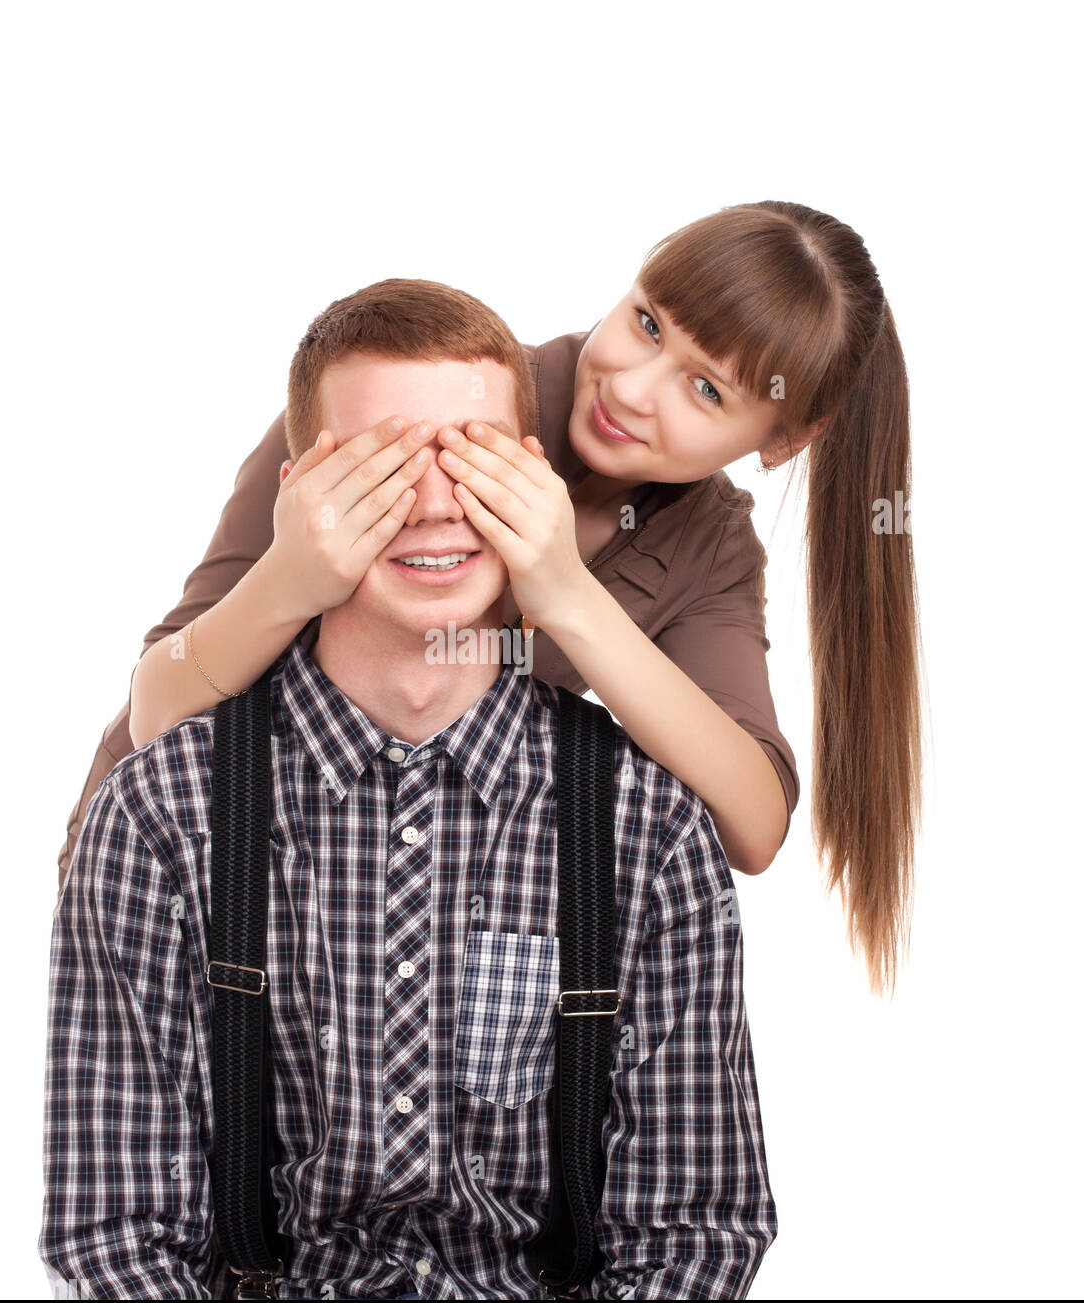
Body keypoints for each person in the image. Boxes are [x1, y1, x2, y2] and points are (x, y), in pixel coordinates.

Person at [39, 280, 777, 1299]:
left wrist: (562, 590)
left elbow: (691, 1237)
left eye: (470, 458)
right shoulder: (166, 816)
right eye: (383, 464)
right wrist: (295, 576)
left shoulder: (647, 829)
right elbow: (115, 1237)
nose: (430, 497)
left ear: (534, 486)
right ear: (301, 494)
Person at [59, 200, 922, 996]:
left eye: (705, 390)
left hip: (399, 924)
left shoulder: (708, 548)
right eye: (647, 322)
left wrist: (569, 598)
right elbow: (155, 708)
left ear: (783, 440)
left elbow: (754, 822)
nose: (630, 386)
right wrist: (290, 582)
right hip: (191, 884)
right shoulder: (422, 389)